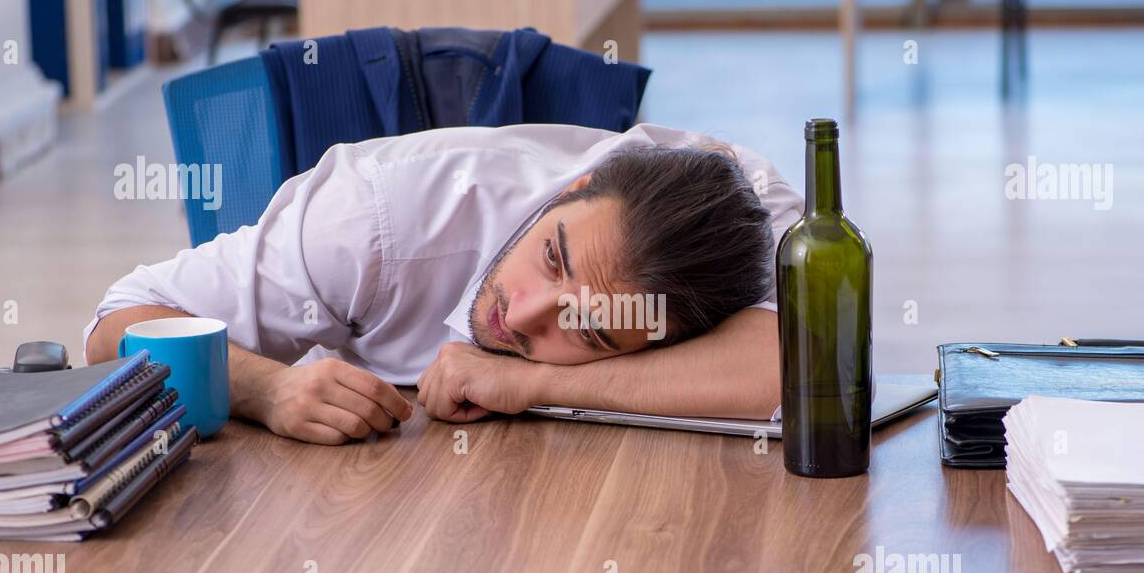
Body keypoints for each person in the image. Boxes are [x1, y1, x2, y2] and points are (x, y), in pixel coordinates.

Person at [84, 123, 801, 444]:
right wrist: (266, 390)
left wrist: (535, 384)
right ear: (572, 189)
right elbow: (113, 329)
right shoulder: (372, 222)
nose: (522, 317)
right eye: (552, 260)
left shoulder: (755, 220)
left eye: (583, 330)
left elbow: (793, 369)